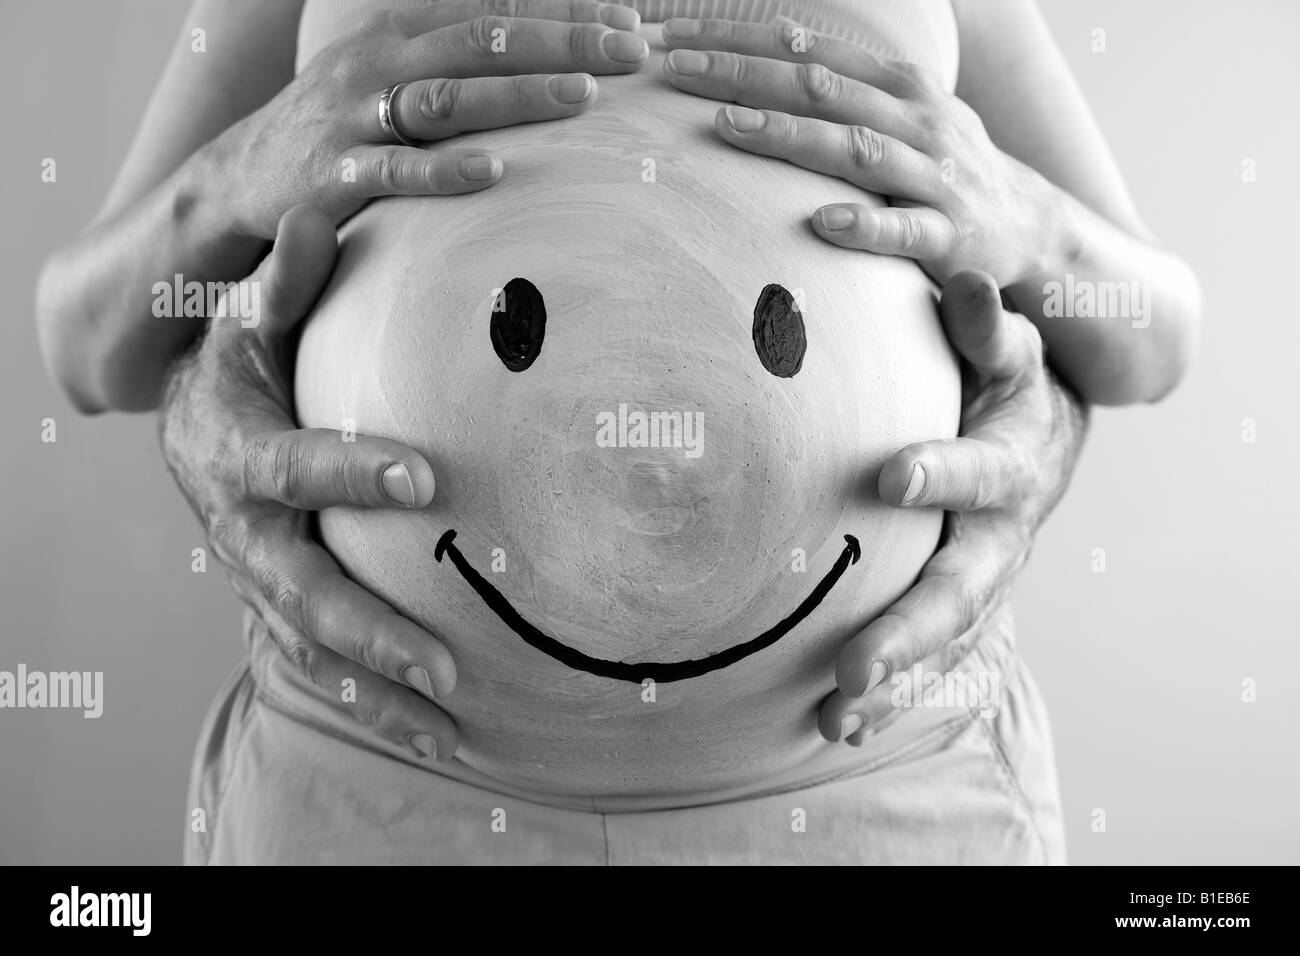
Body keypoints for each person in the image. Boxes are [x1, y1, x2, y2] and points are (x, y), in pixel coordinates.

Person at [36, 0, 1199, 863]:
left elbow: (1153, 337)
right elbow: (89, 344)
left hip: (872, 796)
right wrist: (233, 179)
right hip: (379, 789)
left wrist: (1034, 230)